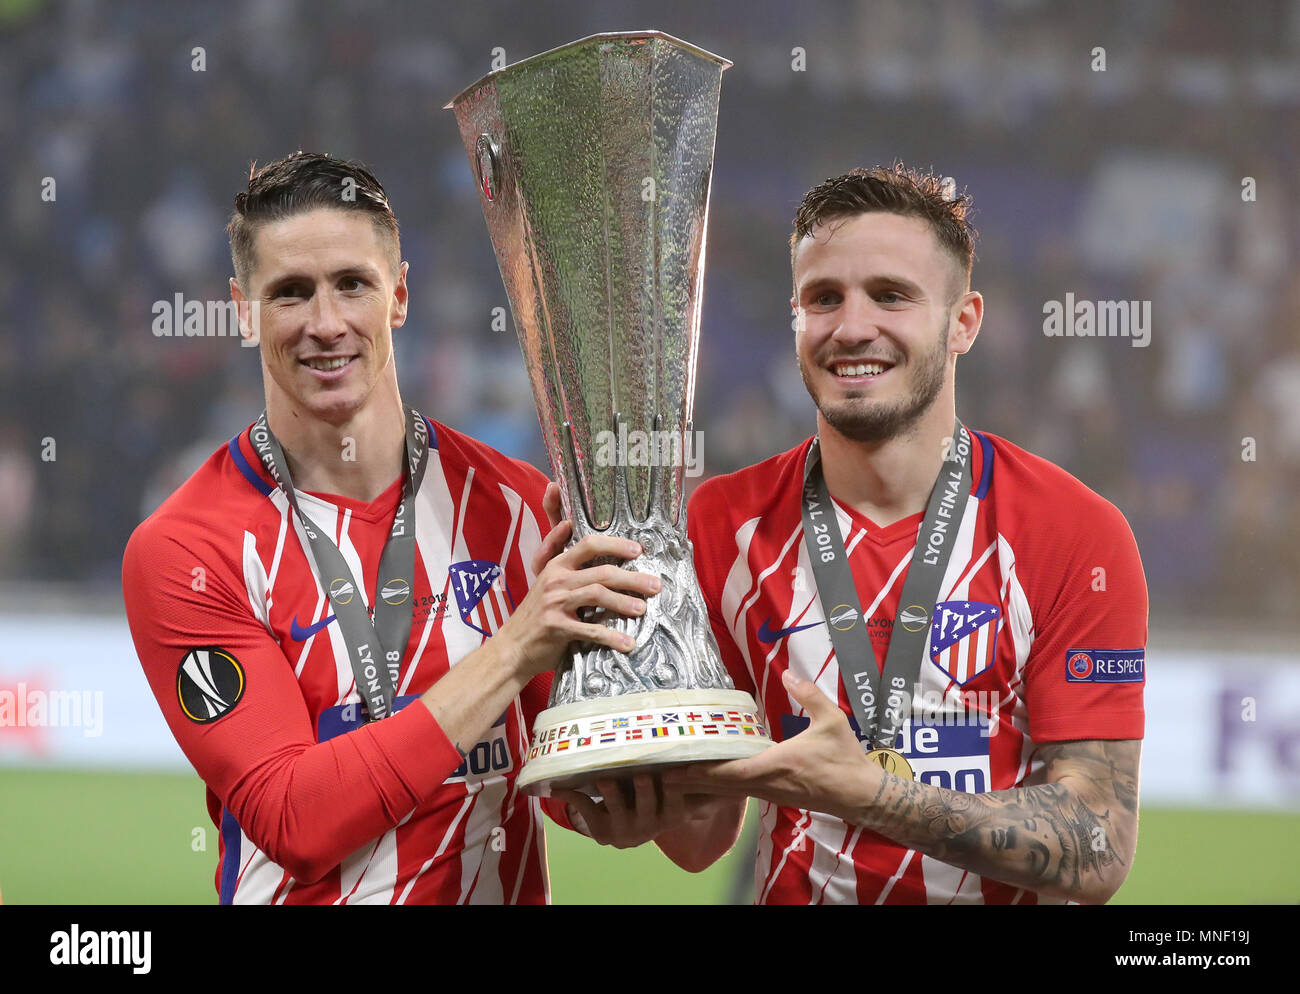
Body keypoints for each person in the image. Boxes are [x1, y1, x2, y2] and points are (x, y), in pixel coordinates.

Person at [120, 152, 664, 904]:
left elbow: (569, 781)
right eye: (289, 294)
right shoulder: (187, 550)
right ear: (243, 311)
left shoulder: (511, 504)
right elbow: (296, 820)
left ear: (399, 294)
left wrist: (657, 779)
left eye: (352, 284)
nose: (325, 323)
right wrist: (514, 647)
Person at [651, 164, 1147, 904]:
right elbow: (698, 839)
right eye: (824, 299)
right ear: (795, 318)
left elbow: (1099, 842)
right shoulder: (720, 524)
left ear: (963, 322)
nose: (852, 327)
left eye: (890, 295)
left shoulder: (1074, 533)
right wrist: (616, 756)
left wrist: (868, 792)